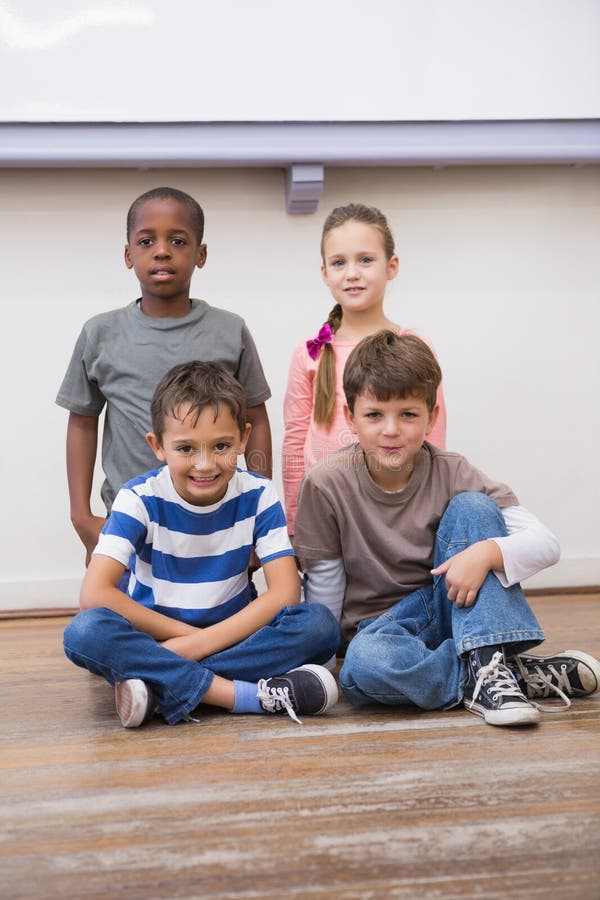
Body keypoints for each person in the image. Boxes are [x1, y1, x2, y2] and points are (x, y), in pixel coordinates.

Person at [294, 331, 600, 727]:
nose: (391, 430)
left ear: (431, 417)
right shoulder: (325, 482)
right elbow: (326, 582)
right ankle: (500, 673)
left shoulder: (452, 470)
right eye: (374, 415)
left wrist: (486, 552)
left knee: (475, 507)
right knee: (364, 666)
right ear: (350, 416)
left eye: (408, 414)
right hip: (379, 632)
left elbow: (547, 544)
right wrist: (322, 664)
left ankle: (487, 664)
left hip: (450, 605)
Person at [63, 361, 340, 728]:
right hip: (165, 635)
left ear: (243, 438)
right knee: (85, 632)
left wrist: (179, 653)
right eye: (186, 449)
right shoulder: (138, 498)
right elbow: (95, 595)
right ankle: (243, 696)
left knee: (319, 625)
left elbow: (285, 593)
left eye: (221, 445)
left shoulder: (258, 494)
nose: (205, 464)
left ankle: (155, 681)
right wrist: (196, 641)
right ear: (157, 445)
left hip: (237, 631)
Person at [57, 186, 272, 566]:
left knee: (226, 620)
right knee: (107, 623)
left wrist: (257, 510)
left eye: (177, 240)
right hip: (130, 522)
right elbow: (83, 423)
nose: (161, 250)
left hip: (220, 520)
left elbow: (254, 418)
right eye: (146, 241)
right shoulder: (100, 334)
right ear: (128, 255)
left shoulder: (230, 331)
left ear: (201, 254)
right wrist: (81, 515)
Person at [283, 202, 447, 535]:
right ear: (325, 273)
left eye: (366, 260)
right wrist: (294, 521)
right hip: (328, 511)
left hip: (398, 508)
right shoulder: (310, 353)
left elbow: (433, 432)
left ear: (392, 266)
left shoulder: (415, 346)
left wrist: (430, 506)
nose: (352, 273)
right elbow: (294, 443)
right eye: (339, 262)